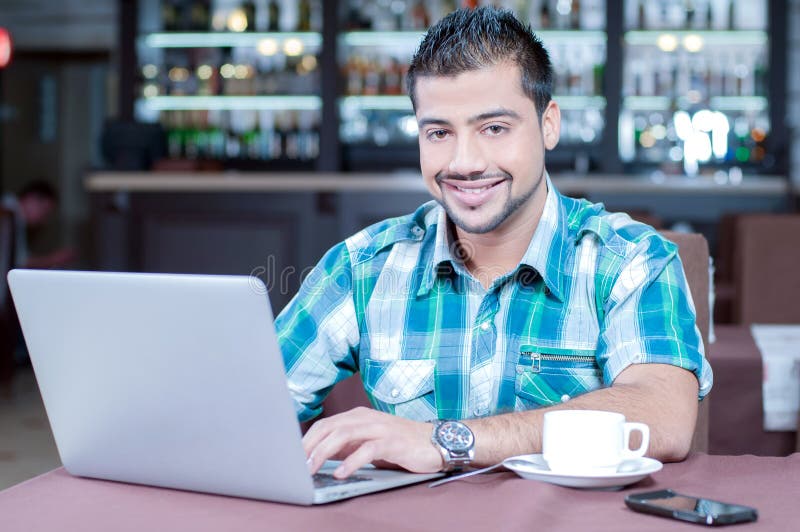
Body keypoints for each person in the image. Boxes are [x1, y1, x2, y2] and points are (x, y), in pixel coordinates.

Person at [276, 7, 713, 480]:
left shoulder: (631, 260)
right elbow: (244, 407)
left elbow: (664, 416)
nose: (464, 162)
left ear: (549, 124)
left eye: (494, 128)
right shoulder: (363, 266)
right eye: (439, 132)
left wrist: (446, 441)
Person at [1, 180, 75, 269]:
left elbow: (19, 259)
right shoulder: (8, 212)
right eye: (45, 212)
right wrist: (54, 259)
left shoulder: (17, 219)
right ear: (31, 198)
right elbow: (21, 261)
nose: (43, 220)